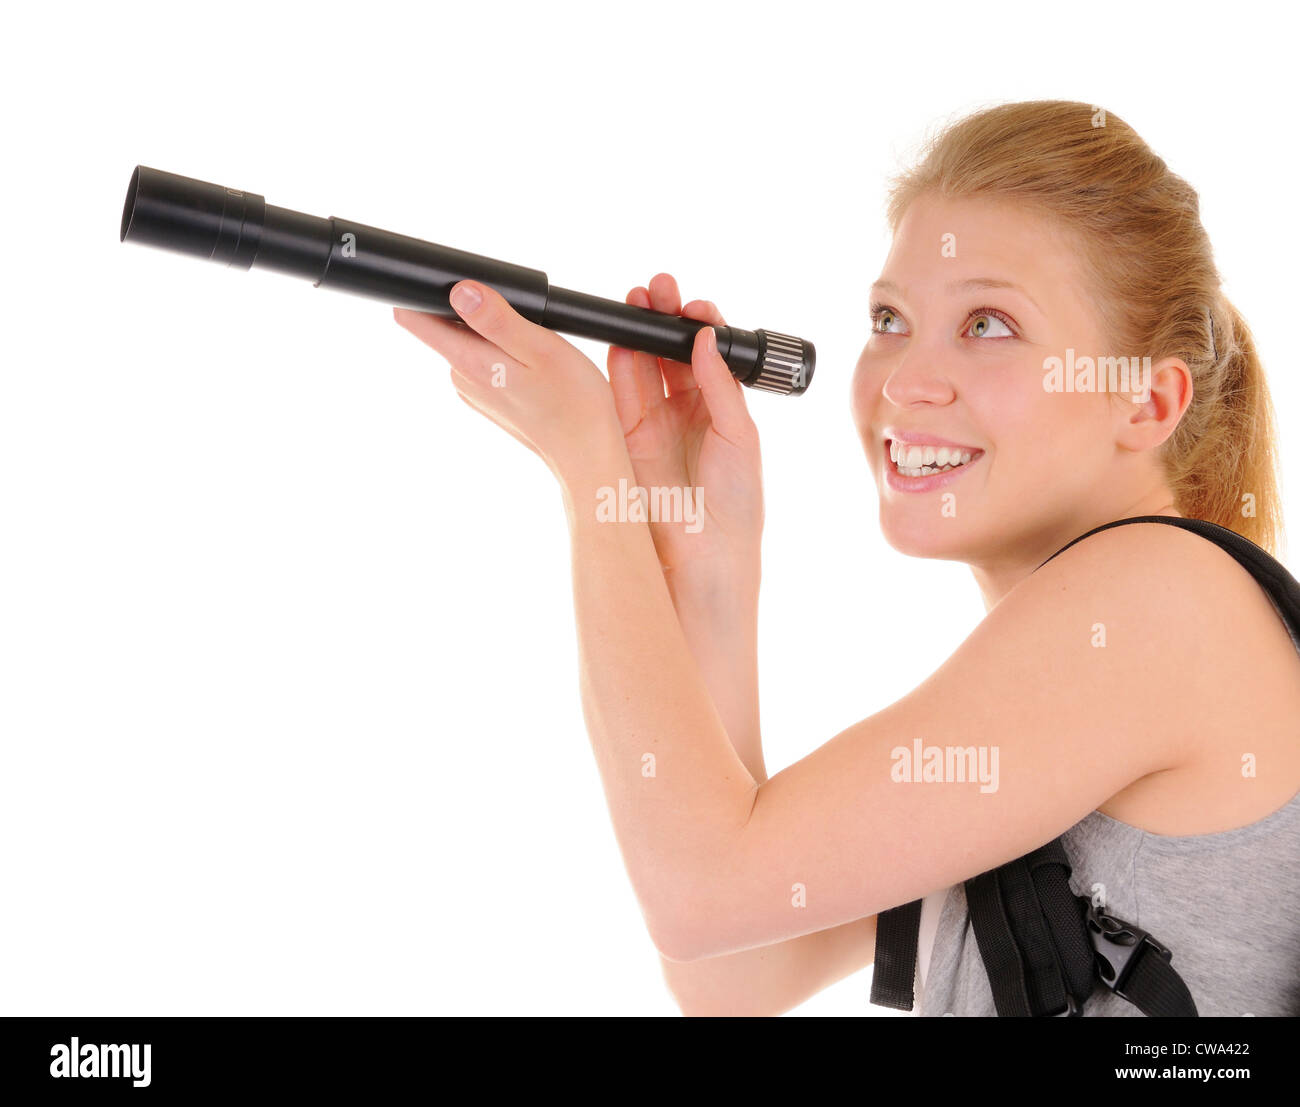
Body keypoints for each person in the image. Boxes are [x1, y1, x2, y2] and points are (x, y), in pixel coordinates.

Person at [394, 100, 1300, 1016]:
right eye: (891, 317)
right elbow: (734, 970)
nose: (905, 381)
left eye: (987, 323)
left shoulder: (1162, 603)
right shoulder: (1080, 677)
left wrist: (590, 466)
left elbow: (699, 894)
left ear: (1145, 403)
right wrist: (703, 556)